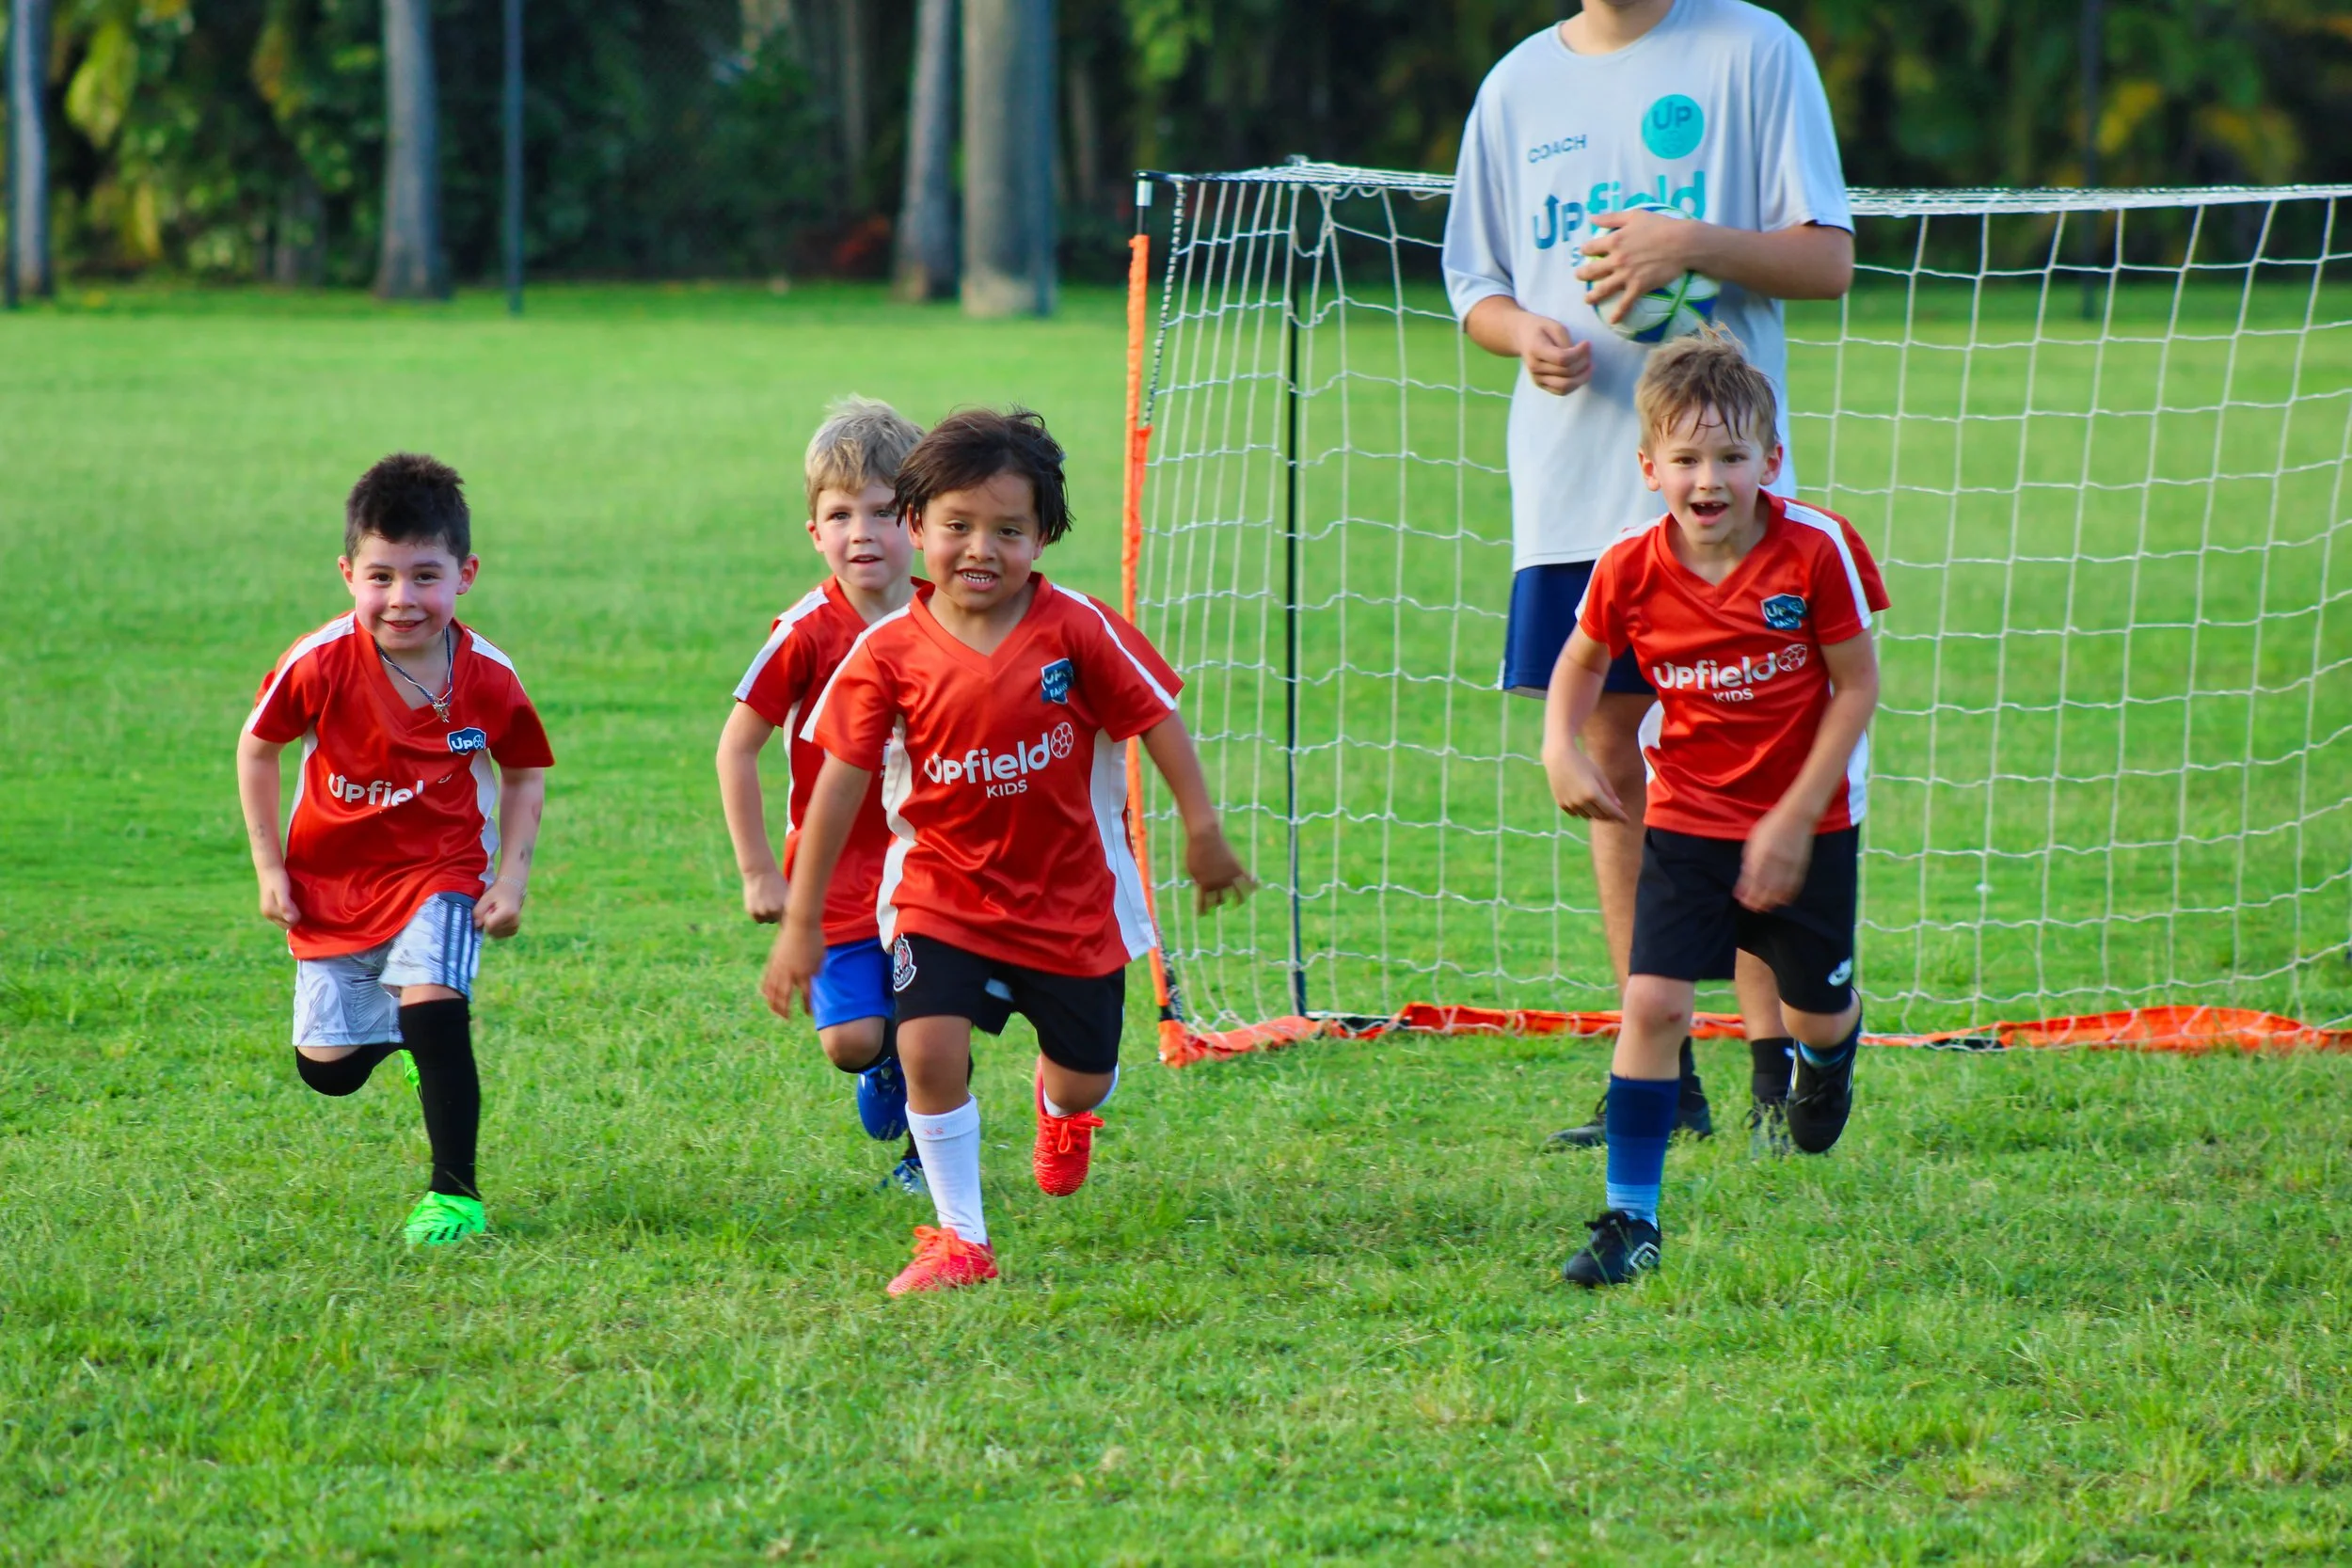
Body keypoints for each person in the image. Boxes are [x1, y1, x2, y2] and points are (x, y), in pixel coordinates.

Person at [1441, 0, 1857, 1146]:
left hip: (1714, 503)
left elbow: (1827, 258)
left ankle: (1780, 1060)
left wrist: (1693, 246)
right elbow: (1473, 283)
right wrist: (1520, 332)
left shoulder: (1753, 51)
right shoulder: (1519, 83)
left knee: (1743, 750)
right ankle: (1662, 1076)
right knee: (1615, 759)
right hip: (1573, 488)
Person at [760, 408, 1254, 1295]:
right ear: (918, 527)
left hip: (1070, 903)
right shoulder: (887, 654)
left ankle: (1060, 1112)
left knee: (1086, 1079)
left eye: (1008, 530)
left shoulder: (1078, 629)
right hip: (940, 894)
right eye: (956, 526)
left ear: (1044, 536)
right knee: (927, 1050)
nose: (978, 549)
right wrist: (802, 921)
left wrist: (1203, 829)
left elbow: (1157, 720)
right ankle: (961, 1239)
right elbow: (837, 786)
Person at [1544, 332, 1880, 1286]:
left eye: (1730, 456)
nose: (1708, 478)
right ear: (1648, 467)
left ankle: (1831, 1052)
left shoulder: (1817, 550)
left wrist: (1789, 817)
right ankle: (1631, 1221)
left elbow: (1856, 687)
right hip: (1687, 814)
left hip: (1808, 821)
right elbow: (1578, 661)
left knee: (1814, 1011)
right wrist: (1556, 743)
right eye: (1686, 458)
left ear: (1769, 462)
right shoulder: (1626, 567)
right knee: (1653, 1001)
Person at [236, 452, 552, 1247]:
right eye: (381, 577)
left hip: (441, 871)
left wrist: (510, 879)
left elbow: (522, 775)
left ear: (465, 573)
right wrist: (270, 865)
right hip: (332, 879)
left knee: (439, 1012)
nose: (402, 600)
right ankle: (400, 1036)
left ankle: (455, 1196)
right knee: (327, 1069)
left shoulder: (488, 676)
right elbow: (257, 748)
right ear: (348, 573)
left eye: (424, 576)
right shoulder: (318, 661)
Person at [718, 397, 930, 1196]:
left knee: (930, 1019)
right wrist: (757, 871)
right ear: (815, 532)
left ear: (918, 520)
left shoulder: (954, 617)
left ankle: (924, 1152)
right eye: (840, 515)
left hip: (930, 865)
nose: (861, 534)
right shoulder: (806, 631)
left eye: (883, 512)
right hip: (834, 872)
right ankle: (876, 1067)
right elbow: (736, 747)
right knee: (849, 1038)